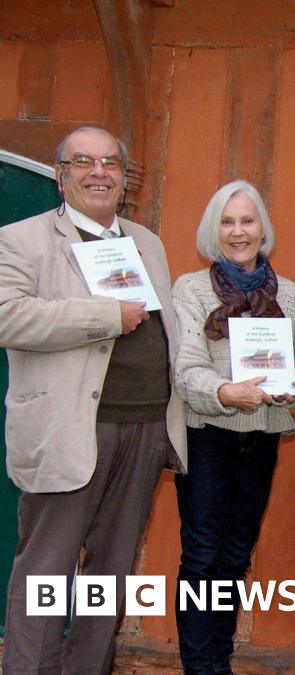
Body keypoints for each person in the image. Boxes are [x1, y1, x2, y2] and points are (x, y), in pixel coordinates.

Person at [0, 126, 187, 672]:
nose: (98, 172)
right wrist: (104, 316)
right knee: (46, 573)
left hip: (144, 430)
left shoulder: (145, 243)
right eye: (83, 161)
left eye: (109, 162)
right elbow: (8, 316)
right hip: (71, 429)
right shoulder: (22, 239)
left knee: (110, 574)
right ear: (61, 175)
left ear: (124, 179)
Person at [171, 180, 295, 674]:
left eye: (247, 221)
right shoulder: (190, 288)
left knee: (234, 556)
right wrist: (226, 392)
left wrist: (291, 387)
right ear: (214, 230)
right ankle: (199, 668)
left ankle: (218, 663)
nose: (238, 231)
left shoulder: (288, 293)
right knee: (202, 555)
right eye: (228, 222)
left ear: (262, 228)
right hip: (207, 434)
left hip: (262, 436)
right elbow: (185, 366)